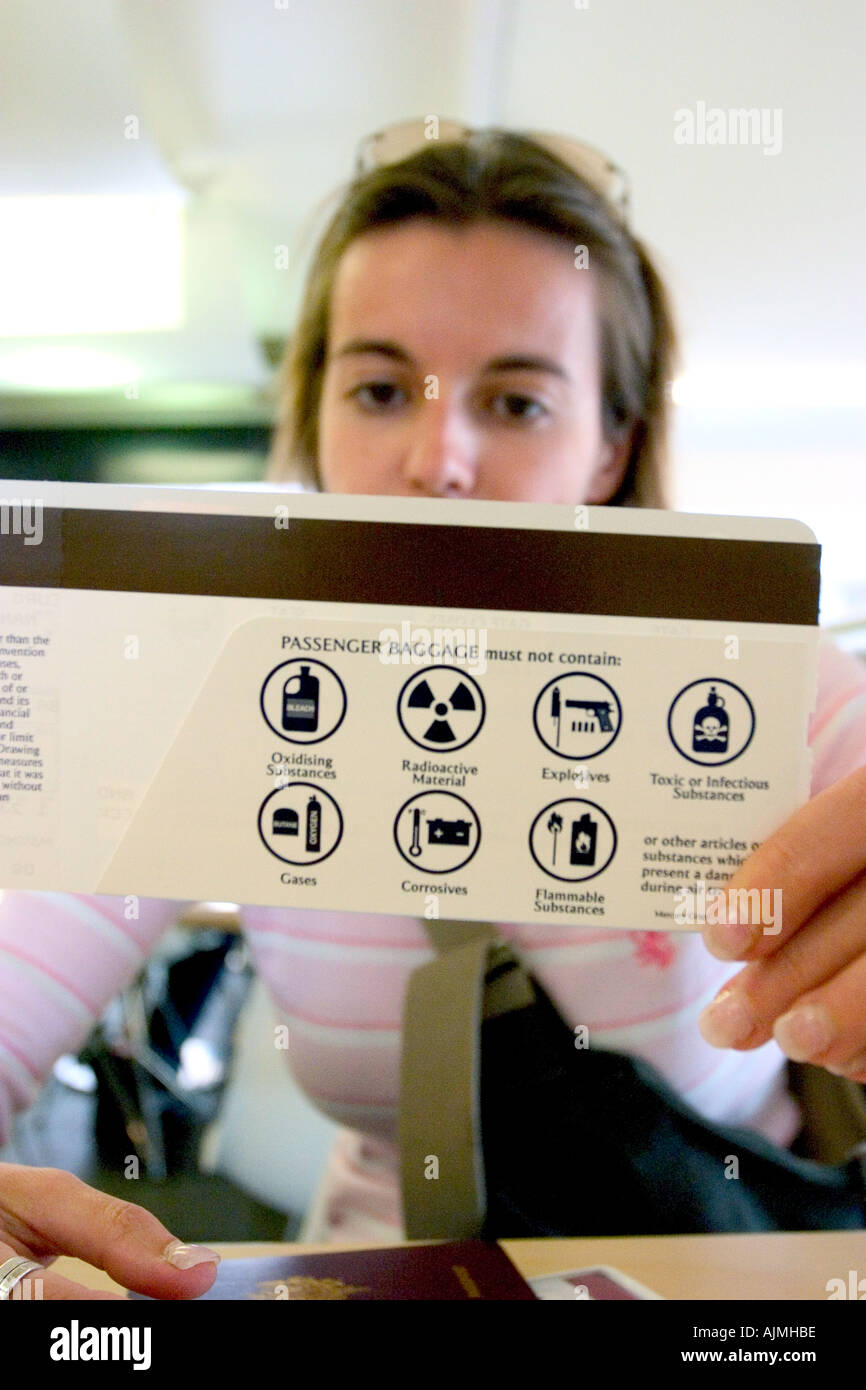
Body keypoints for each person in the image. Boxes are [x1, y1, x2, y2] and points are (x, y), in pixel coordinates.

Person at [1, 124, 865, 1298]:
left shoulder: (771, 691)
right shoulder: (206, 699)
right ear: (313, 423)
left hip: (721, 1267)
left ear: (607, 445)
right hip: (379, 1268)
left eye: (513, 402)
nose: (435, 457)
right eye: (376, 387)